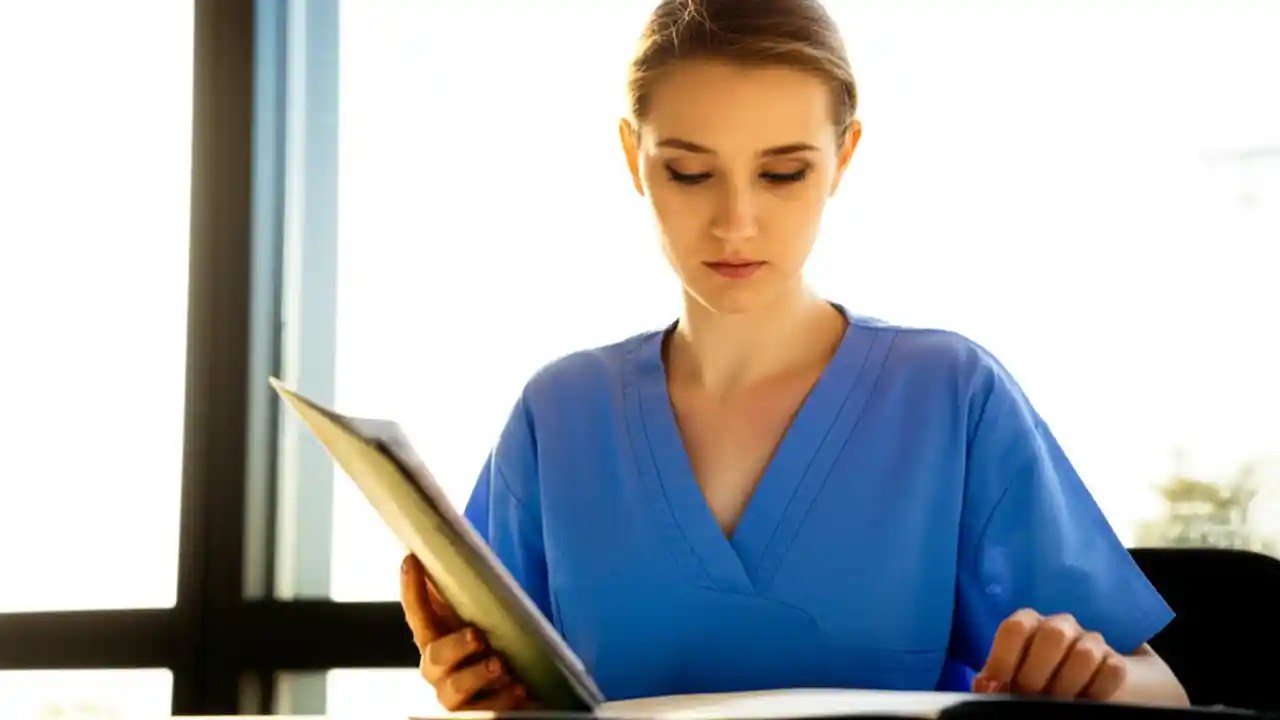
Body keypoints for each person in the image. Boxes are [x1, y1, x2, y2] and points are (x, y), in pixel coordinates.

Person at [399, 0, 1190, 712]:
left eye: (783, 173)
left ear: (843, 157)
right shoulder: (559, 417)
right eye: (689, 171)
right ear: (631, 157)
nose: (736, 222)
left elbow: (1165, 691)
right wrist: (479, 696)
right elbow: (517, 695)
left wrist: (1093, 677)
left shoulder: (950, 396)